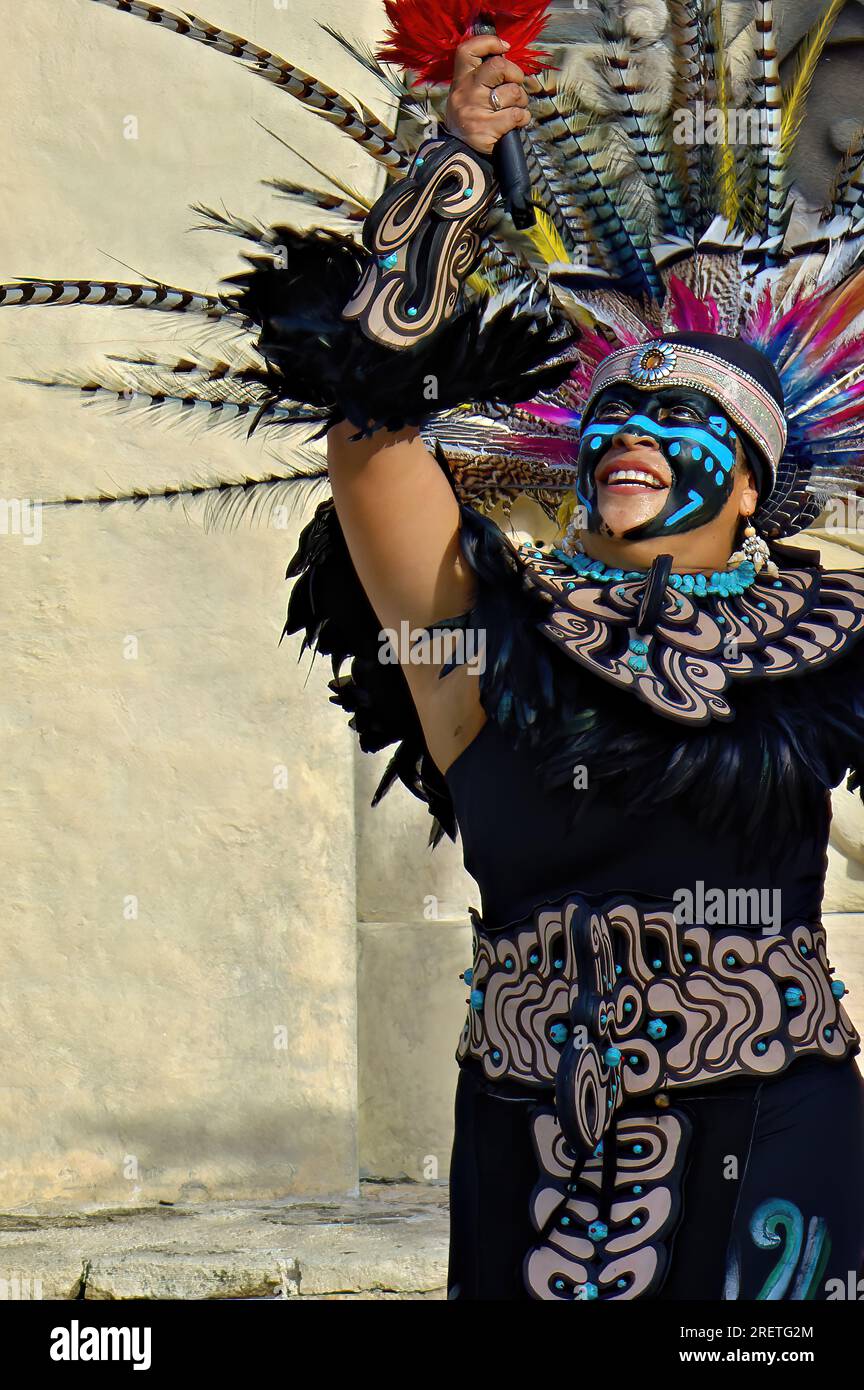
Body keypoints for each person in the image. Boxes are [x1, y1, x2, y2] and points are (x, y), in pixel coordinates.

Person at [6, 1, 864, 1301]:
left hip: (780, 1149)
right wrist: (453, 170)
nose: (630, 427)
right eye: (614, 410)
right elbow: (369, 431)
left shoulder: (822, 637)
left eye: (677, 412)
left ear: (753, 480)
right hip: (531, 1148)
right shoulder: (486, 641)